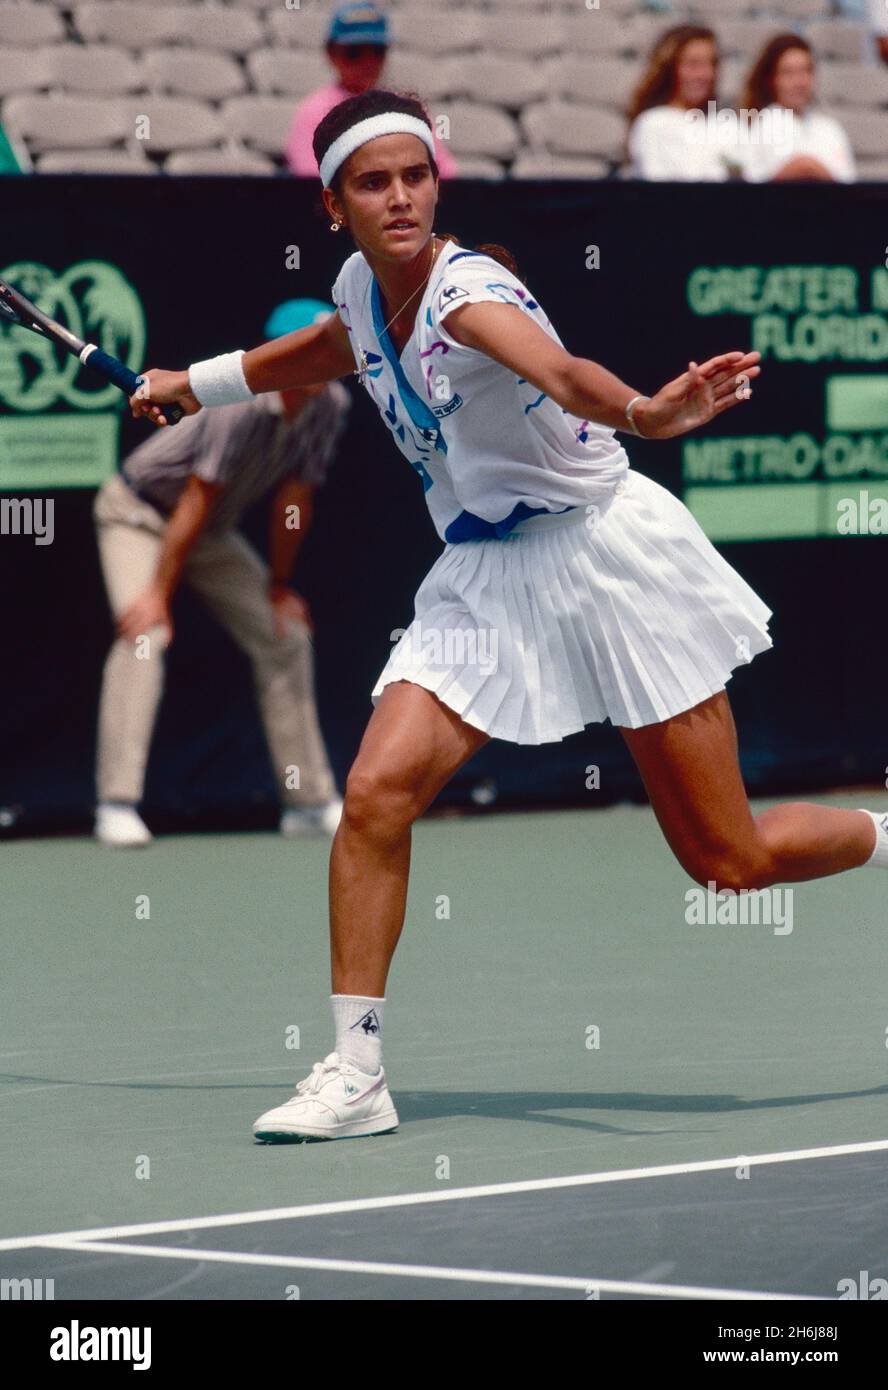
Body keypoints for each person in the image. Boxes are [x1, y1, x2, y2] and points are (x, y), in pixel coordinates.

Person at [129, 88, 887, 1144]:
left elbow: (566, 373)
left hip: (610, 558)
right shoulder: (356, 288)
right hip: (486, 572)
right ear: (332, 206)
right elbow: (319, 352)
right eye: (372, 182)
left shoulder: (466, 294)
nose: (400, 199)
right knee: (377, 793)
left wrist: (644, 411)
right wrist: (194, 383)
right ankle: (357, 1073)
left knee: (729, 861)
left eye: (416, 176)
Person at [94, 299, 348, 848]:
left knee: (287, 636)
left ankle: (308, 802)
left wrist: (278, 587)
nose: (323, 363)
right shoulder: (240, 405)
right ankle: (116, 804)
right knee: (145, 635)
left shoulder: (332, 404)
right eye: (311, 351)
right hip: (137, 515)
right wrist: (158, 595)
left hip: (207, 532)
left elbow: (295, 500)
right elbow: (194, 498)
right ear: (283, 355)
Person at [285, 2, 457, 181]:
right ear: (331, 53)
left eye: (376, 52)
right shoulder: (313, 112)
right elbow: (310, 179)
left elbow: (444, 172)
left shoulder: (408, 109)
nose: (367, 62)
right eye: (354, 53)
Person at [738, 35, 856, 184]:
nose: (799, 82)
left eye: (805, 71)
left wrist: (809, 167)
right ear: (772, 79)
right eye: (788, 73)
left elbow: (847, 189)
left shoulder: (831, 129)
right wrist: (804, 167)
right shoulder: (760, 125)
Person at [626, 25, 736, 181]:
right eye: (693, 64)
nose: (705, 74)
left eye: (711, 64)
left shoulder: (727, 123)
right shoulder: (653, 124)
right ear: (670, 69)